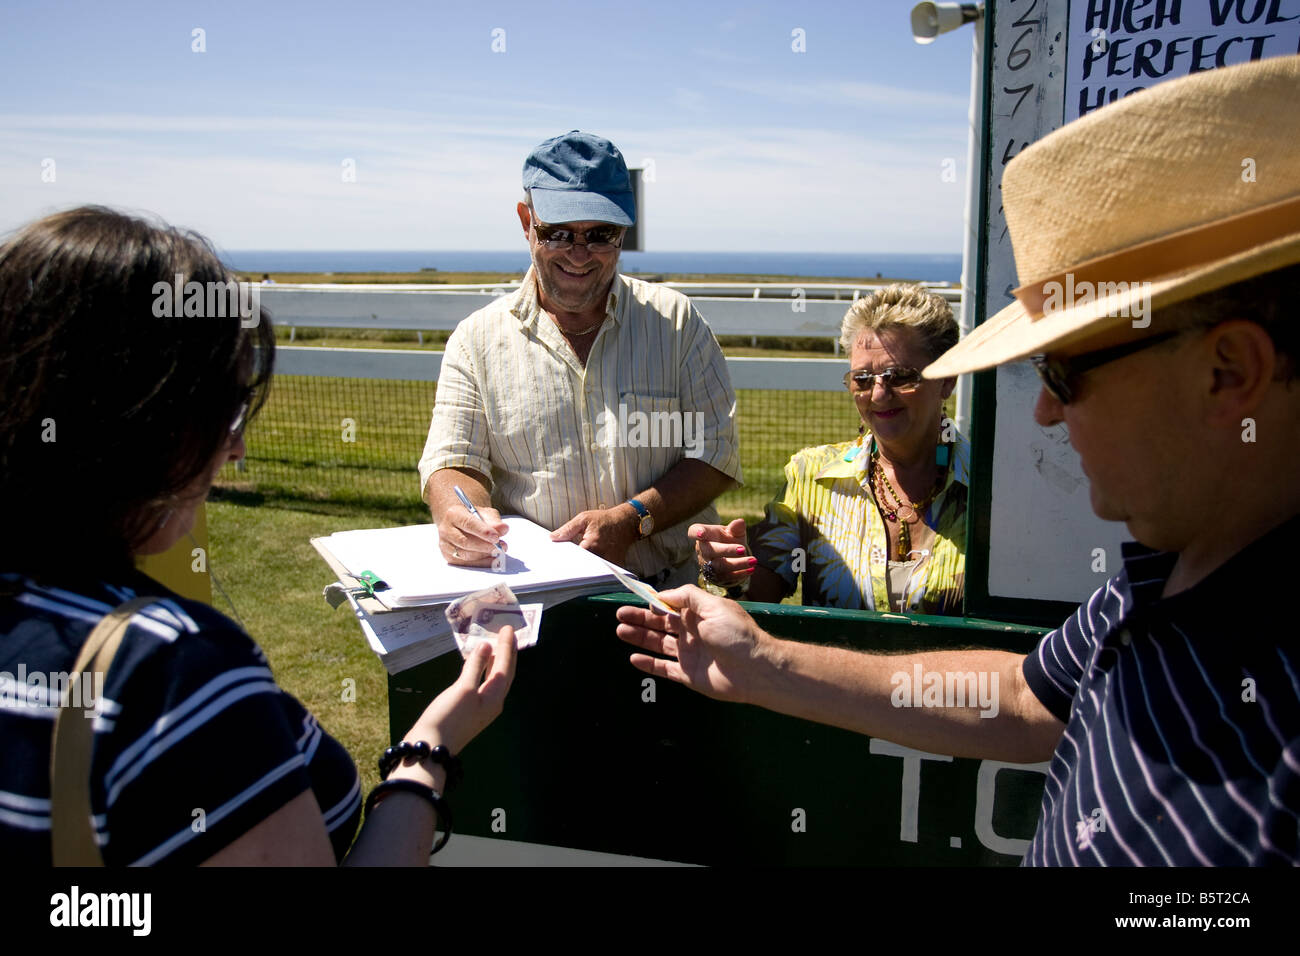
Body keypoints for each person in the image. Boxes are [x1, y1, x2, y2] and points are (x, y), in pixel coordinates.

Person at [616, 55, 1300, 865]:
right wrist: (763, 661)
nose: (1045, 409)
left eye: (1065, 371)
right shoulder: (1159, 579)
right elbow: (1019, 698)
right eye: (863, 378)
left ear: (1229, 372)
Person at [0, 206, 516, 865]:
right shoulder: (176, 672)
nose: (238, 446)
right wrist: (428, 751)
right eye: (227, 409)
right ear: (142, 420)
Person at [418, 131, 742, 589]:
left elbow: (714, 454)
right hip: (537, 600)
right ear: (525, 220)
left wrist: (632, 521)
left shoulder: (676, 322)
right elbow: (453, 461)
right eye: (559, 233)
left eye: (600, 234)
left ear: (625, 230)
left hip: (665, 593)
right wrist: (460, 513)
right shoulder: (476, 339)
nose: (579, 253)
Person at [693, 284, 968, 613]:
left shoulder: (995, 489)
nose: (878, 395)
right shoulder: (812, 478)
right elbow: (757, 596)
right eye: (862, 379)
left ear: (948, 379)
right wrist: (724, 570)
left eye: (899, 377)